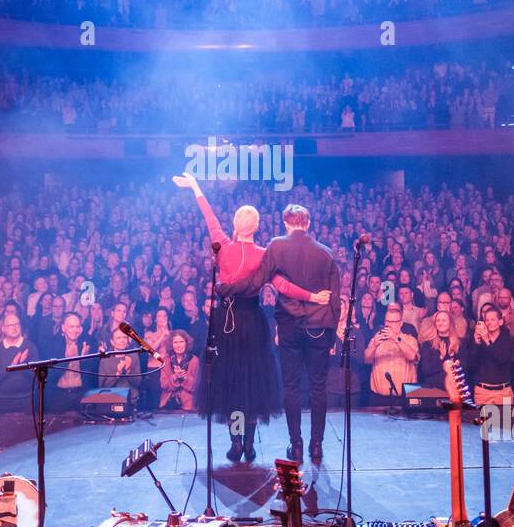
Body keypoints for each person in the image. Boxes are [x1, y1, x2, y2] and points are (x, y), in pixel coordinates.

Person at [174, 173, 329, 464]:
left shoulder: (222, 245)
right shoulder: (263, 254)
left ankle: (236, 443)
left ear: (235, 225)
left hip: (227, 323)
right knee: (253, 385)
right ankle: (249, 444)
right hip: (253, 323)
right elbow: (283, 286)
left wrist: (195, 186)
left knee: (232, 385)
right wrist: (312, 296)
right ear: (257, 227)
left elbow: (209, 217)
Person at [364, 303, 419, 406]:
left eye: (393, 322)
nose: (389, 325)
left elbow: (412, 356)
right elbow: (366, 360)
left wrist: (395, 338)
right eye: (387, 321)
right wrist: (374, 345)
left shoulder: (409, 339)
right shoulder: (377, 338)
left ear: (400, 323)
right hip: (378, 398)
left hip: (403, 398)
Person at [0, 311, 32, 414]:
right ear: (3, 329)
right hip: (1, 401)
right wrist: (13, 365)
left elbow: (35, 377)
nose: (14, 328)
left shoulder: (30, 347)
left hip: (25, 400)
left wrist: (22, 365)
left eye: (17, 324)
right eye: (10, 325)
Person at [159, 329, 200, 411]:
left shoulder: (194, 360)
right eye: (175, 342)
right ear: (171, 345)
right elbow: (163, 384)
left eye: (181, 342)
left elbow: (197, 385)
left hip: (189, 405)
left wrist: (184, 377)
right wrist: (174, 377)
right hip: (168, 404)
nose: (179, 345)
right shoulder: (165, 360)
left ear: (186, 343)